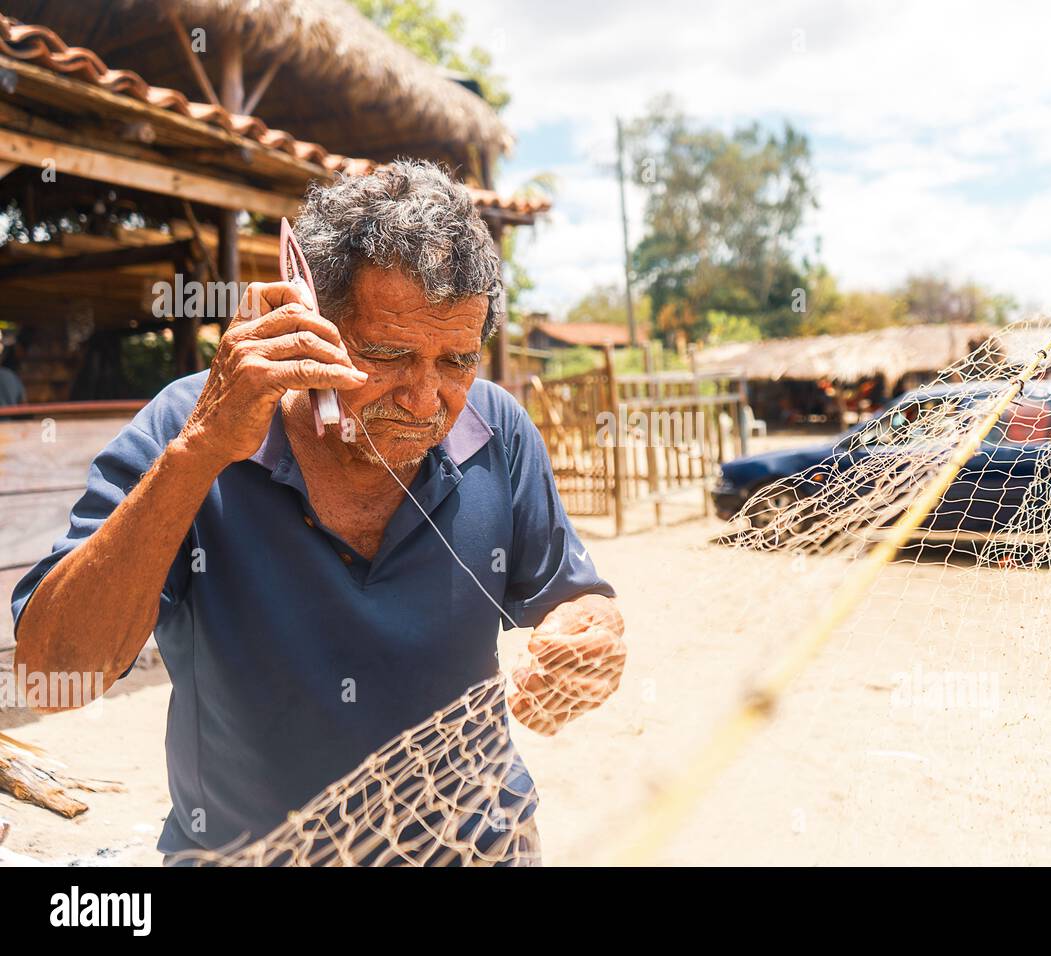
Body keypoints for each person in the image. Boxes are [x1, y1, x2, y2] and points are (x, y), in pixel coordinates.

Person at [11, 161, 626, 865]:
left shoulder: (497, 429)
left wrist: (590, 638)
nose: (427, 402)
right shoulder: (188, 428)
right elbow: (49, 676)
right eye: (388, 355)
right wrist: (201, 453)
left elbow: (575, 599)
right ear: (307, 326)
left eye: (457, 359)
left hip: (478, 847)